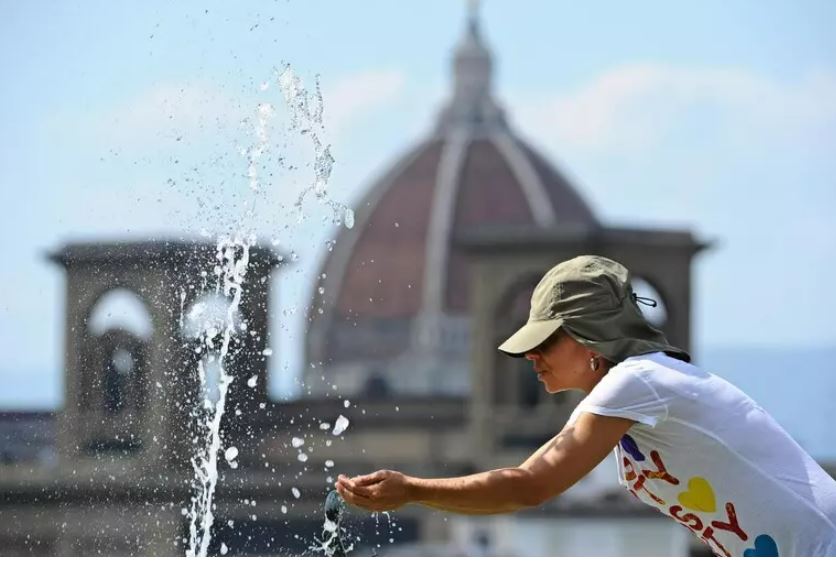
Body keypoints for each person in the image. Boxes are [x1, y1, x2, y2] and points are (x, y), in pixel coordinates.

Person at [336, 255, 836, 556]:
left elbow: (528, 487)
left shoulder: (635, 381)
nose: (531, 356)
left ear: (590, 337)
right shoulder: (637, 393)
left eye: (545, 341)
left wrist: (412, 490)